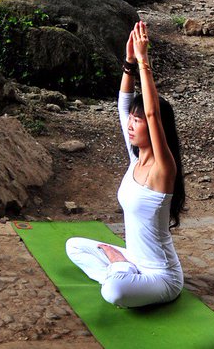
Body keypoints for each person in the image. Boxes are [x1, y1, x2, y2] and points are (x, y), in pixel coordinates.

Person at [65, 21, 185, 308]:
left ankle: (117, 271)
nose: (131, 124)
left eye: (138, 119)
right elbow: (122, 104)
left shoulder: (163, 170)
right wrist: (129, 62)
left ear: (155, 127)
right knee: (74, 246)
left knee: (113, 293)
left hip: (162, 276)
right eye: (131, 119)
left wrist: (145, 61)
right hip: (134, 259)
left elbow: (154, 113)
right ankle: (121, 270)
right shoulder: (135, 161)